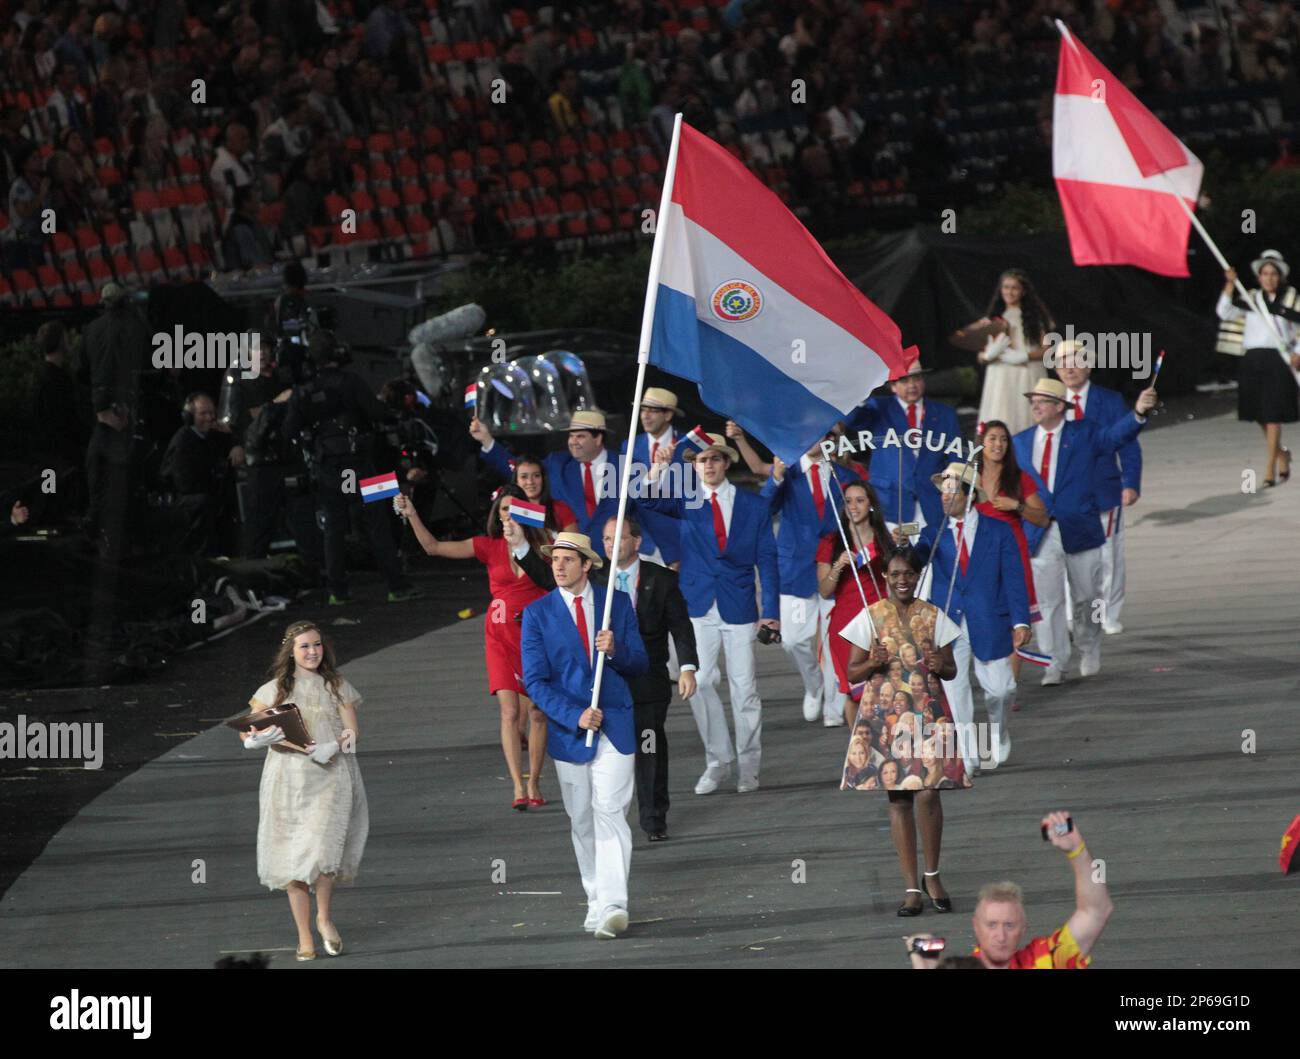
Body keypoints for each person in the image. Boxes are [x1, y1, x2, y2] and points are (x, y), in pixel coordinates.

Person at [520, 532, 648, 940]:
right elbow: (536, 683)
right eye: (554, 559)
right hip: (569, 730)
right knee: (581, 818)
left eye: (566, 560)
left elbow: (640, 663)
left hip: (616, 723)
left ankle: (614, 903)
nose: (558, 566)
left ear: (587, 564)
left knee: (610, 810)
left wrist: (615, 651)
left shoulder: (617, 603)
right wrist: (574, 715)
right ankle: (595, 899)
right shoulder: (537, 614)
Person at [641, 432, 779, 794]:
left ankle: (749, 766)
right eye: (702, 460)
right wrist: (656, 469)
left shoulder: (752, 505)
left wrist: (772, 611)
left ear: (726, 462)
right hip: (697, 603)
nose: (709, 465)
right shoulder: (686, 500)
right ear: (694, 465)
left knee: (744, 690)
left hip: (739, 604)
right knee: (699, 683)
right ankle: (718, 760)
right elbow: (647, 501)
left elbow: (767, 558)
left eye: (715, 458)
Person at [395, 486, 550, 809]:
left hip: (536, 636)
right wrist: (412, 515)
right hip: (499, 636)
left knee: (537, 711)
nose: (509, 514)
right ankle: (518, 787)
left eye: (515, 508)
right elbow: (433, 547)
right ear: (498, 515)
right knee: (509, 711)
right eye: (504, 509)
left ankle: (535, 781)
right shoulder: (487, 546)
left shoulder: (544, 543)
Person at [845, 547, 966, 916]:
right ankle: (911, 887)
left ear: (918, 577)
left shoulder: (933, 616)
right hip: (886, 714)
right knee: (898, 798)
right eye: (895, 574)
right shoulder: (870, 617)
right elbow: (851, 673)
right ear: (885, 576)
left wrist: (938, 664)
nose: (902, 580)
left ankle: (933, 875)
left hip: (928, 711)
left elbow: (951, 670)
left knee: (929, 792)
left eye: (909, 574)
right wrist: (872, 662)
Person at [1012, 379, 1156, 685]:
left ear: (1059, 407)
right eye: (1033, 400)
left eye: (1042, 401)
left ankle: (1089, 647)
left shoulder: (1084, 433)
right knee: (1048, 601)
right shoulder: (1020, 442)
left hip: (1080, 526)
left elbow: (1115, 436)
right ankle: (1054, 661)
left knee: (1088, 596)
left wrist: (1138, 413)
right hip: (1039, 532)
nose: (1035, 406)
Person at [241, 620, 368, 961]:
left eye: (317, 645)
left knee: (324, 849)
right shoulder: (274, 689)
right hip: (289, 780)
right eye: (305, 647)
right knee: (293, 857)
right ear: (292, 652)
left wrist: (337, 745)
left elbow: (352, 729)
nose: (312, 652)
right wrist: (255, 739)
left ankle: (324, 917)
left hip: (330, 774)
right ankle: (304, 936)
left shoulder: (336, 684)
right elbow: (249, 729)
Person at [735, 421, 865, 727]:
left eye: (821, 433)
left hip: (836, 568)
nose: (813, 438)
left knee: (835, 641)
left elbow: (857, 518)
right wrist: (775, 479)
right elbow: (761, 512)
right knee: (794, 641)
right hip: (794, 568)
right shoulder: (788, 473)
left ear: (831, 439)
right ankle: (814, 685)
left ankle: (834, 706)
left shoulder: (845, 476)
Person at [282, 330, 421, 605]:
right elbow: (377, 413)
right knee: (378, 522)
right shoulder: (351, 381)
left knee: (333, 527)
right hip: (361, 463)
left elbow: (289, 430)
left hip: (327, 468)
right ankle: (397, 585)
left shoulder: (304, 390)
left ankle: (338, 591)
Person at [914, 463, 1030, 774]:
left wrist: (1021, 621)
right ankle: (967, 756)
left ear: (969, 495)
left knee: (1001, 689)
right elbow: (916, 560)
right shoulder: (932, 532)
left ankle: (998, 730)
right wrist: (901, 545)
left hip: (989, 618)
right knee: (955, 692)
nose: (944, 496)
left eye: (951, 490)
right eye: (942, 491)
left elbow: (1014, 578)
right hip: (948, 622)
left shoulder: (999, 530)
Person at [1054, 341, 1142, 635]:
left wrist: (1130, 482)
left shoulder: (1110, 400)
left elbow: (1128, 442)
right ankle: (1072, 614)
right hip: (1065, 495)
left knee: (1108, 557)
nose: (1069, 367)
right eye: (1063, 362)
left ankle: (1108, 613)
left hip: (1104, 490)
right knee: (1069, 555)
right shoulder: (1050, 401)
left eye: (1075, 361)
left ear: (1089, 365)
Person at [964, 811, 1111, 968]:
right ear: (976, 926)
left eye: (1009, 925)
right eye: (992, 924)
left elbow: (1098, 910)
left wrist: (1078, 851)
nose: (1000, 936)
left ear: (1023, 929)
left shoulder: (1044, 960)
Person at [472, 409, 627, 558]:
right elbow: (520, 471)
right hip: (572, 561)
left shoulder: (626, 467)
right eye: (570, 436)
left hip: (618, 557)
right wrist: (487, 440)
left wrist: (649, 549)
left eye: (580, 436)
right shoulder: (557, 464)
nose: (572, 442)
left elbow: (643, 510)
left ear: (598, 439)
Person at [843, 358, 963, 540]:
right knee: (894, 562)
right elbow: (852, 419)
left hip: (932, 504)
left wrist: (950, 489)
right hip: (890, 505)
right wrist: (862, 393)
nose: (912, 385)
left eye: (917, 379)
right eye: (905, 380)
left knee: (929, 561)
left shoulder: (945, 414)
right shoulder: (878, 408)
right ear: (892, 386)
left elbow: (957, 459)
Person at [972, 419, 1048, 698]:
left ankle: (1010, 686)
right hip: (979, 554)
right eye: (992, 438)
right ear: (982, 442)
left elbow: (1042, 518)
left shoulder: (1019, 477)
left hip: (1011, 553)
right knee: (984, 613)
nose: (998, 445)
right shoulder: (970, 475)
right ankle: (992, 679)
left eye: (1003, 439)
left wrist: (1016, 505)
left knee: (1014, 616)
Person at [1216, 250, 1300, 487]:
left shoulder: (1290, 299)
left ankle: (1269, 469)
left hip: (1278, 359)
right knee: (1259, 415)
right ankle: (1281, 453)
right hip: (1252, 360)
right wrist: (1230, 284)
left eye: (1273, 274)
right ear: (1259, 277)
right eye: (1265, 273)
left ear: (1280, 277)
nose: (1269, 278)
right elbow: (1224, 312)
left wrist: (1298, 352)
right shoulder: (1250, 298)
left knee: (1273, 415)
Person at [816, 479, 891, 726]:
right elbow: (825, 591)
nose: (854, 506)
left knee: (884, 689)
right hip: (845, 627)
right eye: (848, 501)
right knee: (854, 691)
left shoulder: (885, 539)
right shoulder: (831, 542)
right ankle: (859, 752)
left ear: (871, 505)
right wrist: (838, 566)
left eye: (860, 500)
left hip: (880, 621)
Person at [83, 283, 150, 559]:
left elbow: (82, 368)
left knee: (98, 473)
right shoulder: (134, 327)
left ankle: (97, 532)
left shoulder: (90, 330)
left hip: (101, 410)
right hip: (125, 405)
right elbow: (148, 356)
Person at [952, 269, 1055, 435]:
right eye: (1006, 287)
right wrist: (987, 355)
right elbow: (979, 354)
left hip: (1027, 374)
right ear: (1000, 290)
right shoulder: (992, 320)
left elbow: (1048, 349)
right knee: (1001, 417)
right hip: (1000, 377)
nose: (1010, 291)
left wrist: (1024, 355)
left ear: (1023, 291)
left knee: (1025, 417)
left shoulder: (1037, 317)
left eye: (1015, 287)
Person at [159, 392, 245, 555]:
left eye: (212, 413)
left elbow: (231, 442)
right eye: (203, 413)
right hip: (185, 499)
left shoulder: (213, 435)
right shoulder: (183, 441)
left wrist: (235, 444)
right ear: (189, 417)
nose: (210, 417)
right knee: (204, 502)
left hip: (206, 494)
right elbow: (185, 484)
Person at [620, 387, 686, 567]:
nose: (645, 415)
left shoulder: (689, 446)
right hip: (644, 544)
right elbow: (629, 497)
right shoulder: (630, 446)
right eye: (643, 409)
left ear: (668, 415)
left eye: (653, 410)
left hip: (680, 543)